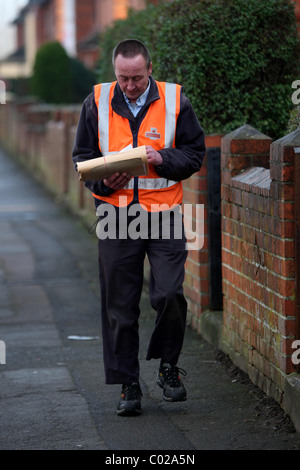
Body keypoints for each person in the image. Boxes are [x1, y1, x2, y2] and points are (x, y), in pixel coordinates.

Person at [72, 39, 206, 416]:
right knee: (119, 304)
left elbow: (195, 153)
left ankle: (168, 367)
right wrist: (103, 183)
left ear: (150, 69)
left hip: (164, 213)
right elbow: (81, 158)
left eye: (136, 78)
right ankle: (128, 384)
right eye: (123, 78)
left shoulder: (176, 100)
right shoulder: (95, 102)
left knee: (169, 294)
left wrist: (162, 157)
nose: (129, 85)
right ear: (115, 72)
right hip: (115, 216)